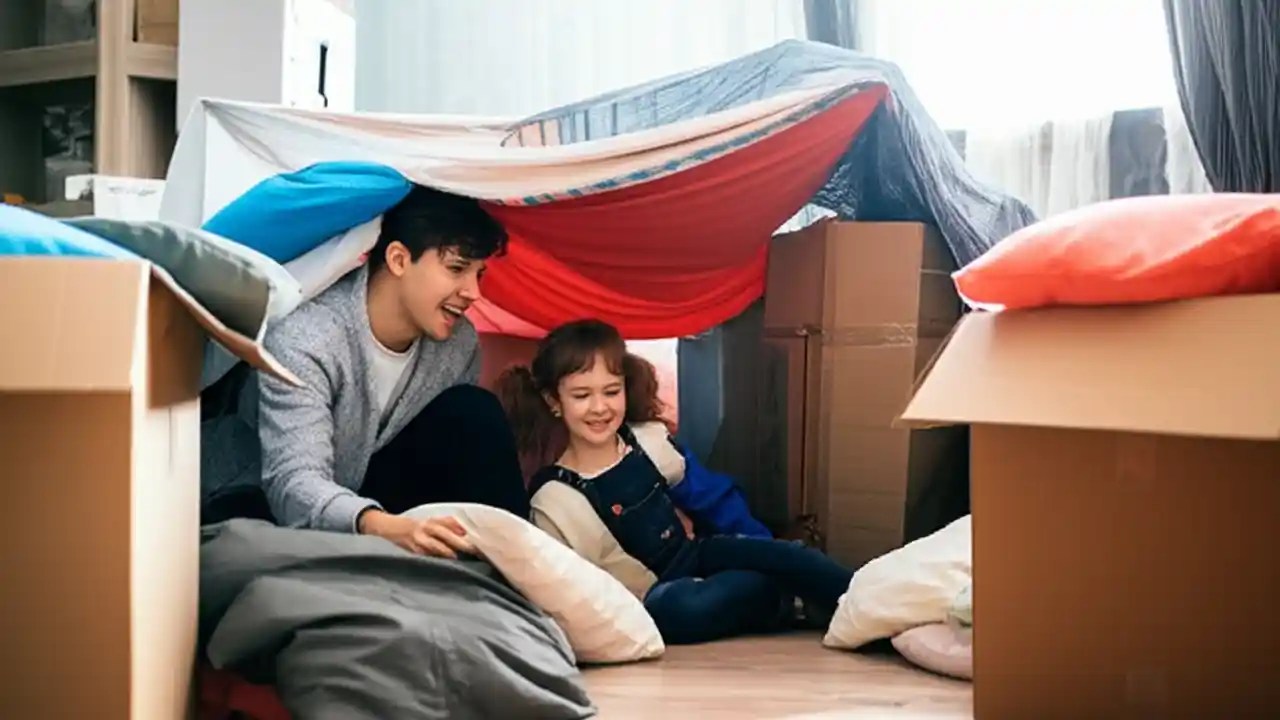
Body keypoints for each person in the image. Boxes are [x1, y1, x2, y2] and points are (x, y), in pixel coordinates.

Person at [200, 184, 530, 559]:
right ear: (399, 259)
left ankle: (519, 577)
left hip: (372, 491)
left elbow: (453, 455)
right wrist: (388, 527)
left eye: (478, 274)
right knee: (245, 529)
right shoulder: (307, 337)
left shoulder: (457, 345)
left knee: (474, 412)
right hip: (263, 500)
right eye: (456, 269)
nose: (472, 292)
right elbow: (293, 482)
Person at [496, 318, 857, 645]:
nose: (600, 407)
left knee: (787, 555)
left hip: (698, 555)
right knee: (689, 607)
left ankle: (869, 606)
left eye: (611, 391)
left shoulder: (649, 444)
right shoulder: (554, 500)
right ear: (553, 401)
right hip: (655, 598)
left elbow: (715, 499)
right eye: (581, 396)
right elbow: (571, 592)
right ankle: (786, 598)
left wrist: (759, 545)